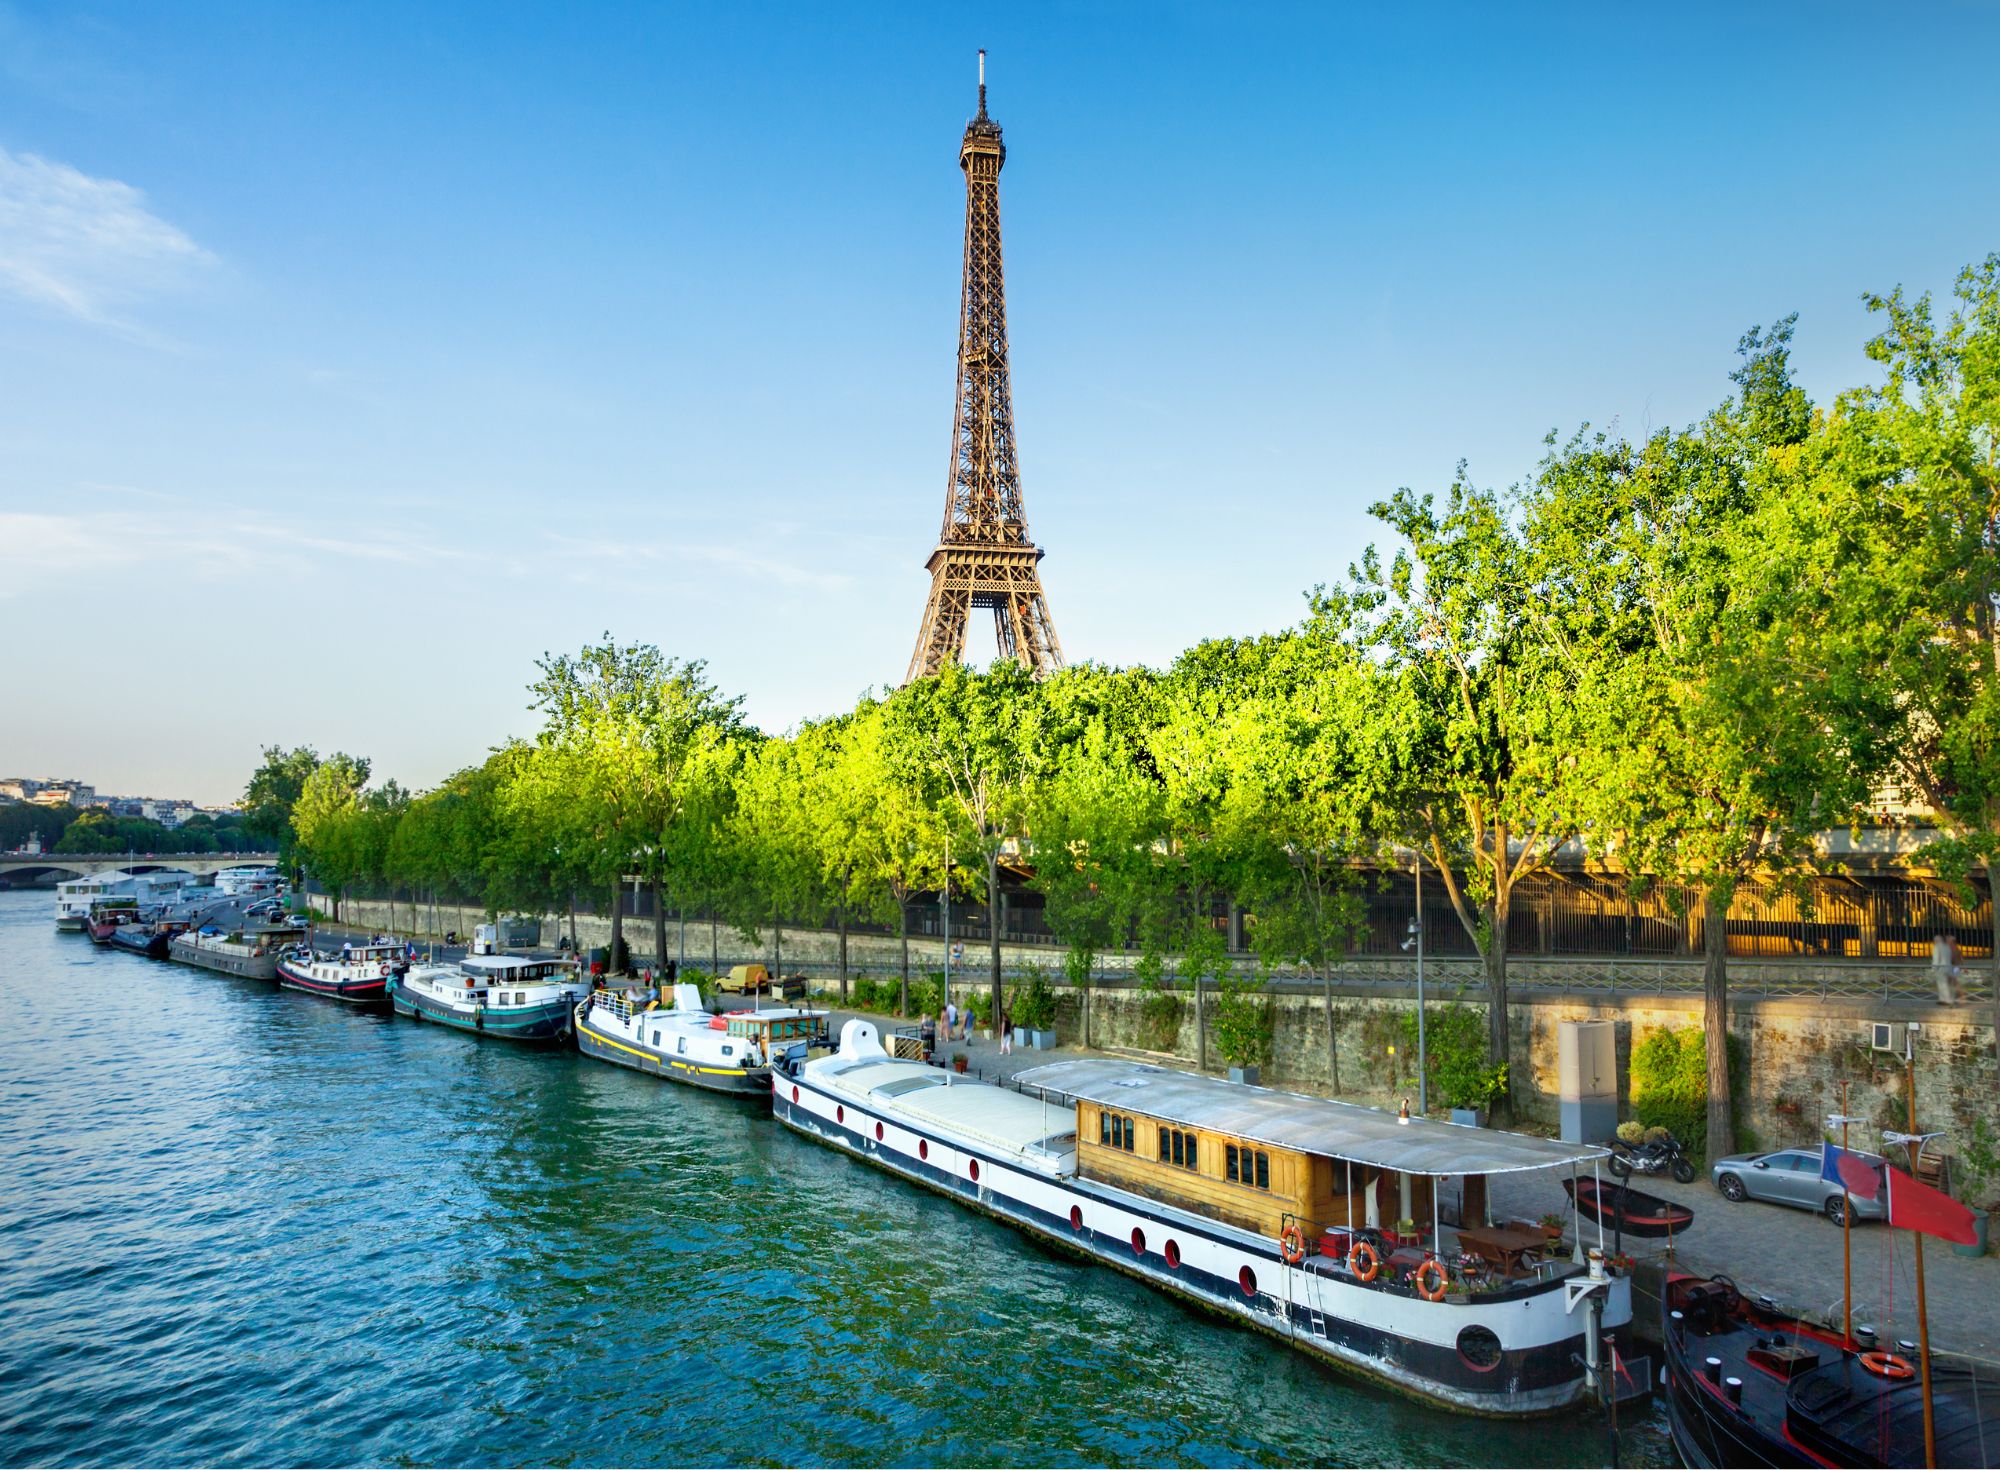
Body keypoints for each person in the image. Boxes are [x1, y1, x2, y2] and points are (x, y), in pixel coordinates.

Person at [1933, 932, 1964, 1004]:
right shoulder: (1949, 947)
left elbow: (1956, 958)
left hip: (1954, 968)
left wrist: (1934, 968)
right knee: (1951, 982)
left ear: (1951, 940)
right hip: (1951, 967)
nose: (1946, 940)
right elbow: (1959, 958)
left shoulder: (1949, 947)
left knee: (1953, 982)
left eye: (1948, 939)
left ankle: (1955, 998)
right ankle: (1950, 998)